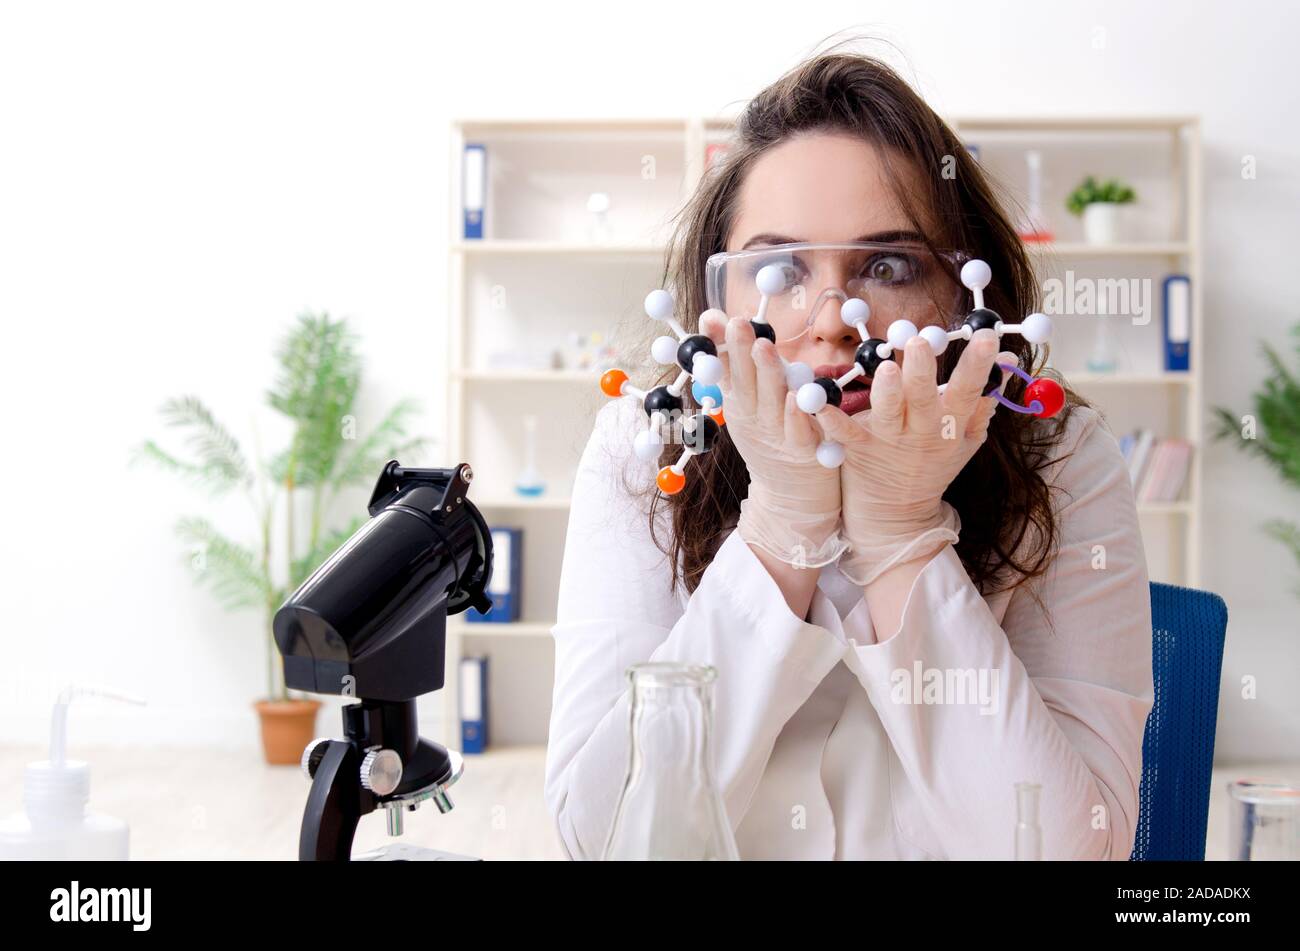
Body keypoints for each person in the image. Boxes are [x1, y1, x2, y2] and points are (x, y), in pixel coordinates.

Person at [544, 48, 1153, 860]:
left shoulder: (1059, 453)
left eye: (890, 265)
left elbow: (1076, 852)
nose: (833, 321)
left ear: (965, 297)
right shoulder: (647, 445)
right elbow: (607, 841)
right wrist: (782, 528)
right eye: (781, 268)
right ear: (713, 301)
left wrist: (902, 532)